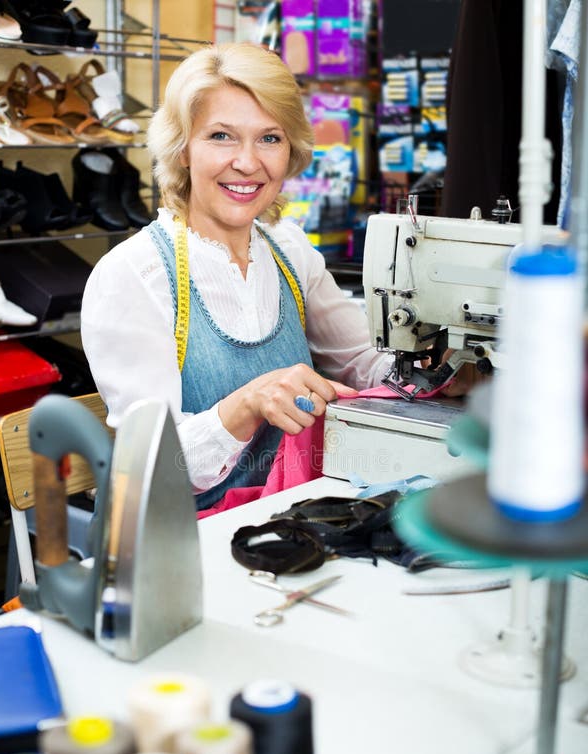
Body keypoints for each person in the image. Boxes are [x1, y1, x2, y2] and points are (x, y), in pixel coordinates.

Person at [81, 42, 467, 512]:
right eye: (221, 136)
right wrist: (244, 406)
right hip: (177, 541)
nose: (247, 162)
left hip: (283, 517)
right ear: (182, 148)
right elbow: (149, 467)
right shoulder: (133, 276)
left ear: (291, 150)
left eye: (269, 138)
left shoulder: (288, 250)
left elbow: (366, 363)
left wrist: (447, 371)